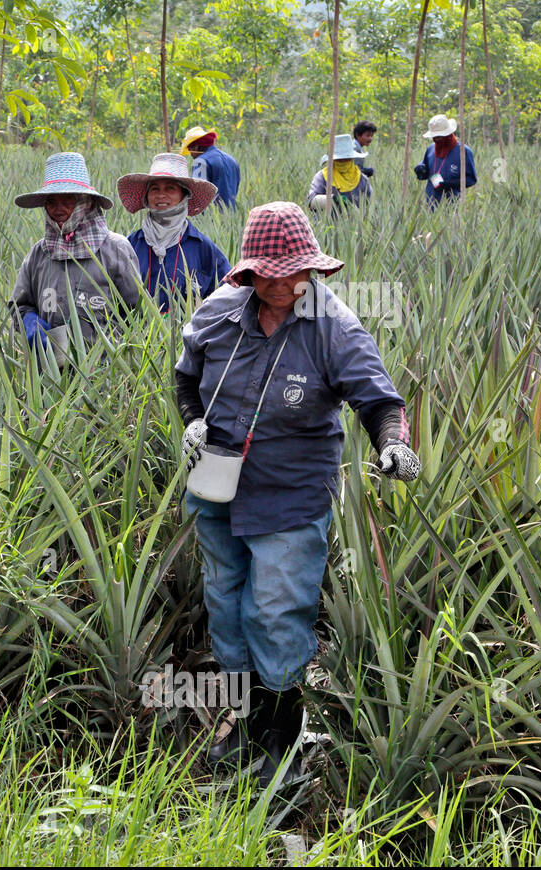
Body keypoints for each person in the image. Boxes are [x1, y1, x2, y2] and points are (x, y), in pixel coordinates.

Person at [175, 201, 420, 784]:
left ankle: (282, 744)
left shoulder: (333, 326)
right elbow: (186, 375)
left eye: (295, 271)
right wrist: (192, 420)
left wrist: (392, 443)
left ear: (313, 268)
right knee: (226, 606)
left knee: (276, 613)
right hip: (216, 487)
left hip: (289, 496)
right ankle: (244, 726)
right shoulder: (218, 313)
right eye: (269, 272)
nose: (283, 283)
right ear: (249, 272)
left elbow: (380, 401)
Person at [9, 151, 141, 366]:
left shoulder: (115, 249)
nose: (58, 209)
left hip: (104, 373)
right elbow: (19, 306)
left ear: (86, 202)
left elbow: (136, 313)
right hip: (49, 372)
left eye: (68, 200)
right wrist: (29, 323)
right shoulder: (39, 253)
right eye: (51, 202)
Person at [117, 153, 231, 314]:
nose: (161, 194)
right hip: (135, 337)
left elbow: (227, 293)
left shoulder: (202, 247)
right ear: (146, 197)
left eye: (170, 188)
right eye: (155, 189)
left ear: (184, 196)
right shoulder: (130, 245)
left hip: (188, 337)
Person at [413, 114, 477, 208]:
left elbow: (471, 180)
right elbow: (425, 171)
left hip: (453, 206)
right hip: (431, 204)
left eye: (439, 136)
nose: (436, 140)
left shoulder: (463, 152)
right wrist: (420, 170)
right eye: (434, 137)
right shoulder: (431, 149)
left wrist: (449, 184)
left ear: (448, 134)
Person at [307, 134, 372, 213]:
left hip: (353, 223)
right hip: (327, 224)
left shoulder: (362, 179)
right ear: (333, 160)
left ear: (351, 158)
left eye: (346, 159)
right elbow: (312, 201)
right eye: (339, 160)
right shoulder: (323, 177)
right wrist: (334, 200)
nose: (343, 162)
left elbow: (369, 207)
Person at [180, 126, 240, 210]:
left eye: (190, 149)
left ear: (196, 146)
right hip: (231, 216)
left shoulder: (201, 161)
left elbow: (197, 193)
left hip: (210, 218)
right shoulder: (232, 161)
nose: (190, 154)